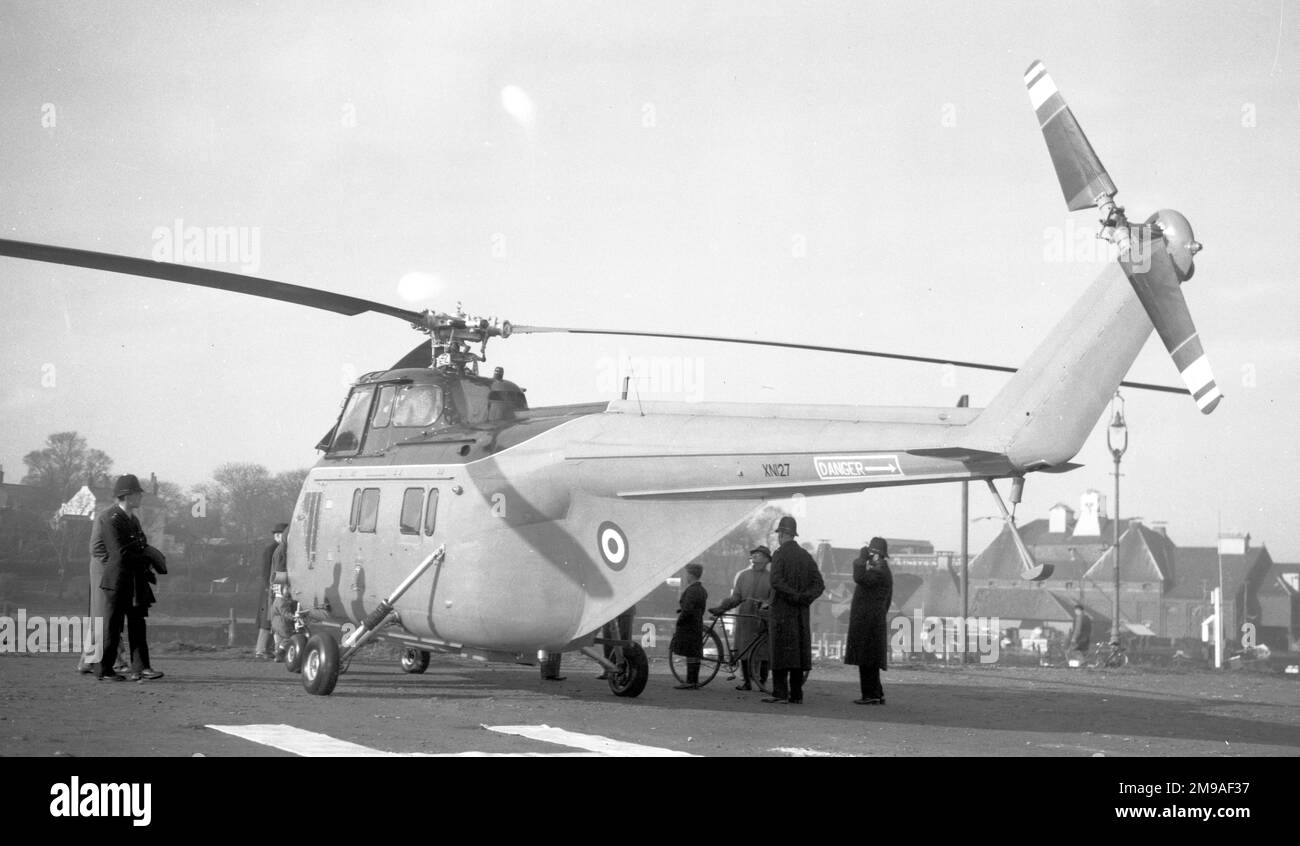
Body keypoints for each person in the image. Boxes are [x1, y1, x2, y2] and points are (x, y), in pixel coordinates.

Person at [94, 474, 164, 681]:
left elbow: (140, 545)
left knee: (137, 624)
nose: (141, 497)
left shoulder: (133, 519)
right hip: (118, 579)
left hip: (134, 578)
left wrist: (147, 556)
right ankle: (104, 669)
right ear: (127, 495)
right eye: (137, 493)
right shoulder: (111, 518)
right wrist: (145, 558)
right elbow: (119, 552)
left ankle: (141, 667)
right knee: (112, 625)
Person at [763, 516, 824, 705]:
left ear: (781, 534)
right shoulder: (806, 556)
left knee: (780, 652)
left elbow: (776, 581)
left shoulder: (779, 554)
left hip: (782, 611)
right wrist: (805, 597)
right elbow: (819, 585)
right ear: (793, 534)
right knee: (797, 653)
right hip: (800, 614)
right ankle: (796, 694)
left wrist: (793, 595)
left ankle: (780, 693)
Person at [709, 544, 773, 691]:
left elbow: (771, 598)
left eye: (759, 556)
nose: (755, 558)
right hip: (744, 616)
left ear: (766, 560)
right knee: (743, 649)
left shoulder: (770, 578)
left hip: (760, 618)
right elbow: (736, 596)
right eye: (754, 555)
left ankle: (761, 681)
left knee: (763, 651)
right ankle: (747, 682)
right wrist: (723, 607)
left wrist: (765, 605)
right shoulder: (743, 575)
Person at [844, 537, 893, 704]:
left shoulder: (878, 573)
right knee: (869, 661)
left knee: (866, 661)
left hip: (868, 623)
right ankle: (876, 694)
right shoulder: (883, 572)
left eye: (871, 555)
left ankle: (870, 695)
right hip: (873, 622)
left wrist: (860, 559)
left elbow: (859, 578)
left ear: (877, 555)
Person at [670, 563, 707, 689]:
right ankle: (694, 681)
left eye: (687, 574)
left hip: (688, 625)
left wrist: (680, 621)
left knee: (690, 654)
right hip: (697, 623)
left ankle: (690, 682)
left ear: (690, 575)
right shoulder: (701, 590)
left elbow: (687, 609)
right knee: (694, 654)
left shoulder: (691, 590)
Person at [254, 522, 287, 660]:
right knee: (267, 621)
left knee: (273, 620)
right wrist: (270, 587)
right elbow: (266, 572)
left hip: (275, 587)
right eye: (278, 535)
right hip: (271, 588)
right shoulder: (272, 549)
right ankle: (262, 649)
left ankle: (271, 649)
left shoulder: (280, 548)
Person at [269, 526, 293, 661]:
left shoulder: (280, 549)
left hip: (278, 589)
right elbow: (280, 571)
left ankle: (278, 651)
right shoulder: (282, 550)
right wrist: (283, 589)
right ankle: (280, 651)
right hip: (281, 589)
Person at [596, 604, 638, 680]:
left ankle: (625, 670)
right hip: (608, 605)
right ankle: (608, 668)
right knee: (608, 637)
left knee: (625, 639)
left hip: (626, 603)